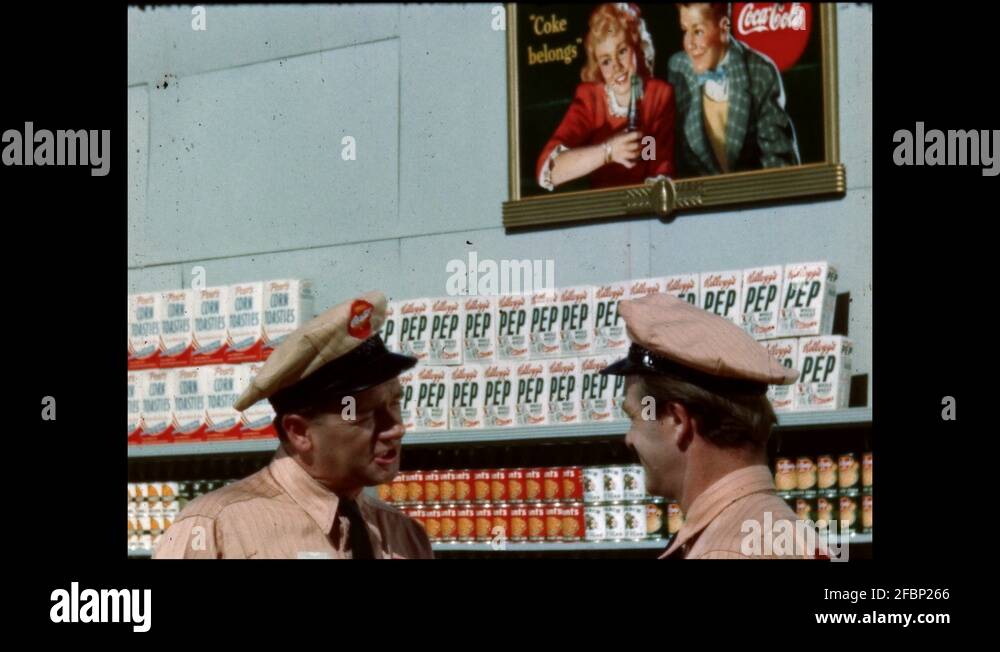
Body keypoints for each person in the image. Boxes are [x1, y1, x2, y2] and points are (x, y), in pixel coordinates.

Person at [154, 290, 433, 559]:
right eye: (363, 414)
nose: (396, 427)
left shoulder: (405, 536)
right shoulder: (215, 527)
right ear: (299, 432)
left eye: (395, 403)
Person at [601, 293, 821, 559]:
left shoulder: (725, 550)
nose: (629, 439)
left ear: (677, 421)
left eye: (635, 417)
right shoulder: (780, 526)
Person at [536, 3, 675, 192]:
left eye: (622, 51)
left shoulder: (658, 94)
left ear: (636, 46)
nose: (616, 66)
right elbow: (548, 171)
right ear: (598, 66)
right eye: (606, 61)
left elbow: (657, 161)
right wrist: (608, 152)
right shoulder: (590, 99)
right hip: (603, 207)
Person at [667, 3, 800, 177]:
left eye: (698, 31)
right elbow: (661, 148)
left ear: (723, 29)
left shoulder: (760, 72)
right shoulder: (678, 69)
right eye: (685, 31)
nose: (689, 44)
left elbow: (780, 165)